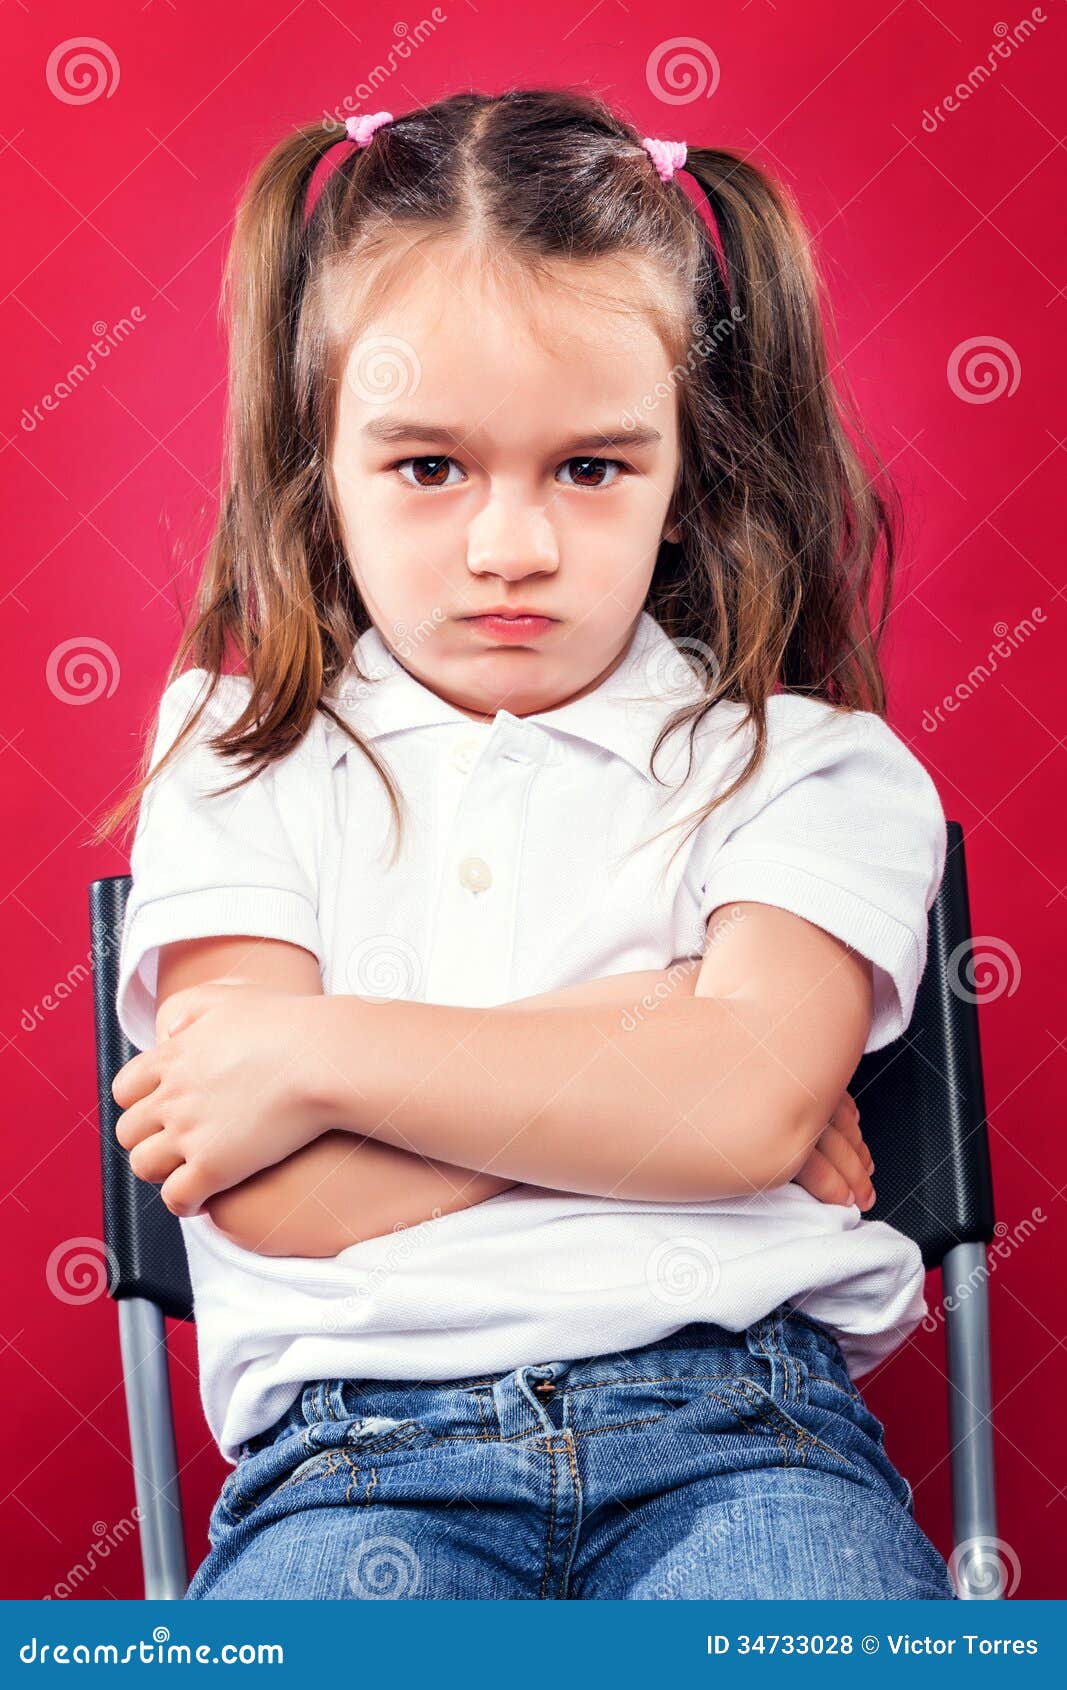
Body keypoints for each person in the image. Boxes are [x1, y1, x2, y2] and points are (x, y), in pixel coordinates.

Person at [96, 87, 956, 1600]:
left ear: (686, 472)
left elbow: (745, 1108)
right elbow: (266, 1189)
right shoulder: (234, 754)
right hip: (351, 1466)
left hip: (747, 1433)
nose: (513, 546)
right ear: (322, 461)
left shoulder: (812, 766)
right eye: (430, 467)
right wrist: (664, 1044)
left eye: (592, 466)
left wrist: (318, 1057)